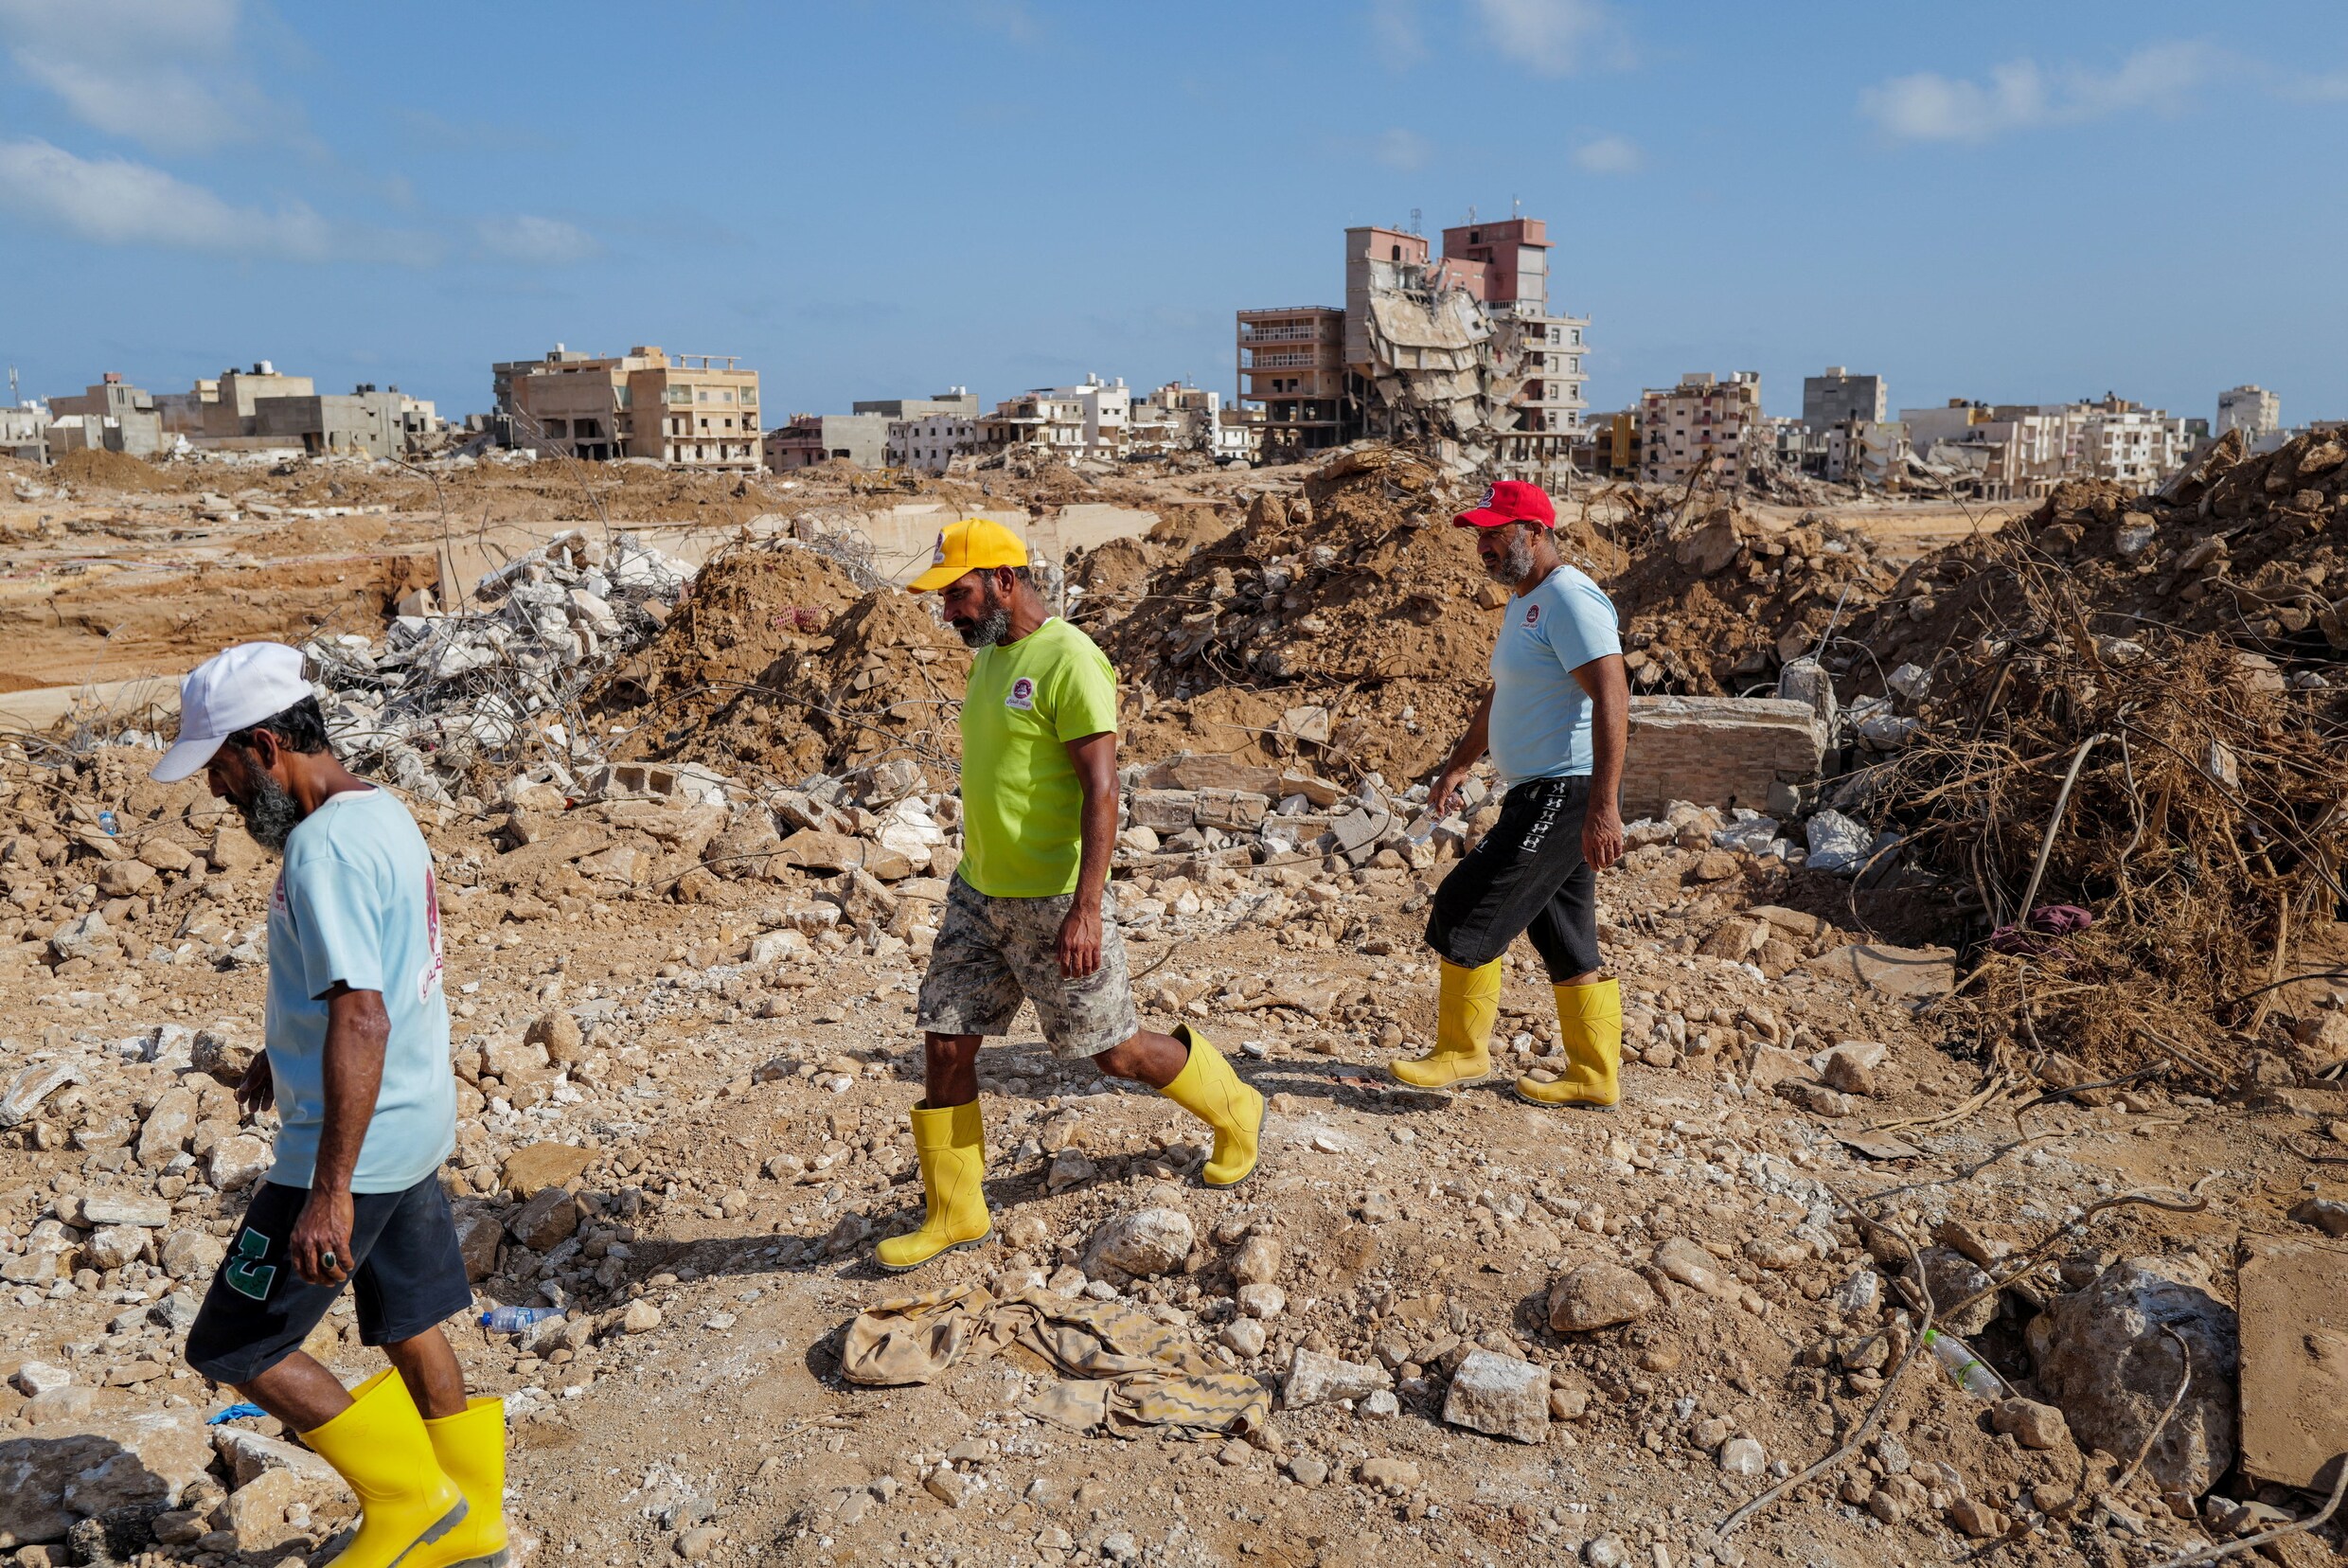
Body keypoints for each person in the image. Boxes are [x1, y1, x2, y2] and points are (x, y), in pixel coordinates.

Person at [162, 643, 507, 1568]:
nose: (216, 794)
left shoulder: (321, 851)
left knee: (234, 1346)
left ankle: (412, 1506)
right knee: (409, 1319)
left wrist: (330, 1192)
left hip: (358, 1145)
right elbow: (375, 973)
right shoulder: (379, 811)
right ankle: (474, 1529)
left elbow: (362, 1013)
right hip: (414, 1117)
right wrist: (287, 1054)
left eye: (221, 769)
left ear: (266, 745)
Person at [878, 519, 1266, 1271]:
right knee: (947, 1039)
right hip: (978, 894)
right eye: (944, 600)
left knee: (1115, 1053)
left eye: (957, 595)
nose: (948, 613)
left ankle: (1236, 1106)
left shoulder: (1070, 660)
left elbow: (1102, 788)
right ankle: (954, 1210)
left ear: (1004, 580)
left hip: (1055, 901)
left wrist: (1087, 907)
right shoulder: (990, 656)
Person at [1392, 481, 1632, 1111]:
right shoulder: (1527, 603)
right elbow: (1502, 693)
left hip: (1564, 789)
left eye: (1496, 536)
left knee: (1464, 903)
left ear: (1535, 532)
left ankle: (1462, 1050)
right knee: (1564, 933)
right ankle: (1593, 1074)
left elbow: (1612, 696)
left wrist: (1604, 806)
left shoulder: (1571, 600)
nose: (1485, 549)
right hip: (1538, 788)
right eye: (1480, 538)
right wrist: (1458, 766)